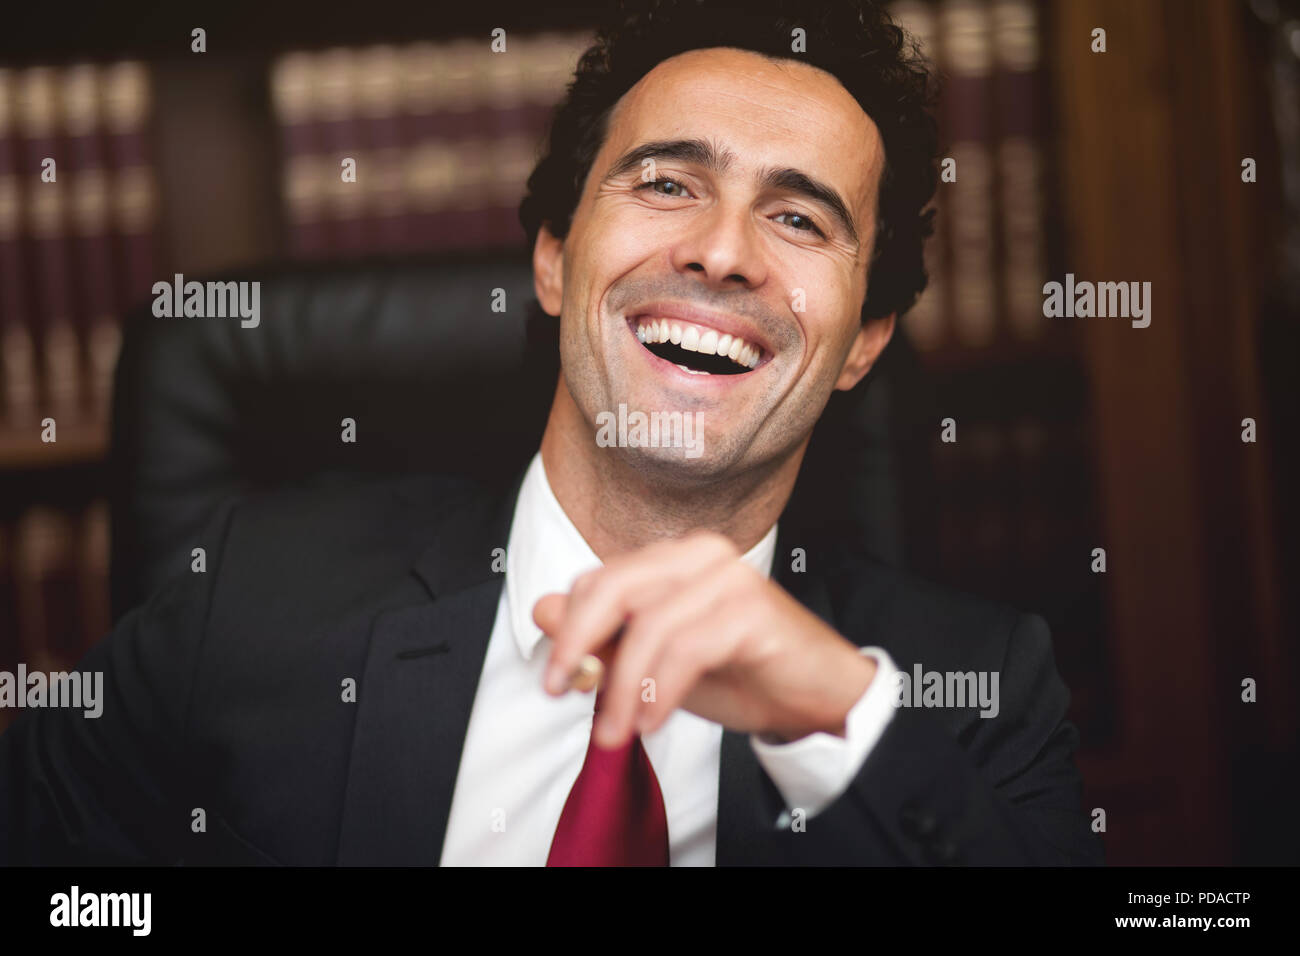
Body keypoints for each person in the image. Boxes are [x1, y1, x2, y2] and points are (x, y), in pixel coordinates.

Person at [0, 0, 1103, 866]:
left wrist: (839, 723)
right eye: (668, 181)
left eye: (798, 216)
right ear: (552, 259)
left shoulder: (972, 694)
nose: (722, 253)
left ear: (864, 337)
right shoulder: (251, 590)